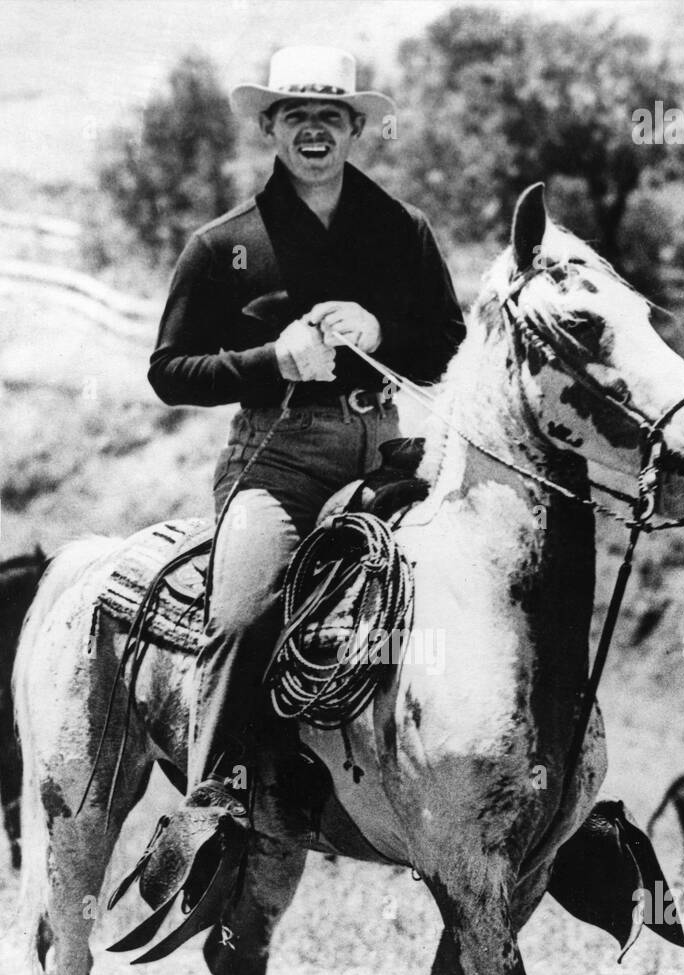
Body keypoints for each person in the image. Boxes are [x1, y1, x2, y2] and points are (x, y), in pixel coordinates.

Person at [142, 45, 465, 912]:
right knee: (245, 610)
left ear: (356, 128)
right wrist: (266, 358)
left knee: (480, 588)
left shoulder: (403, 232)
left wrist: (380, 331)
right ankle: (211, 807)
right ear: (270, 128)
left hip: (388, 454)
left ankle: (502, 786)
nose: (314, 129)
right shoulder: (222, 245)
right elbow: (170, 372)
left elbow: (449, 347)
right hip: (276, 463)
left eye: (331, 116)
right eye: (296, 115)